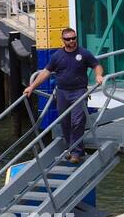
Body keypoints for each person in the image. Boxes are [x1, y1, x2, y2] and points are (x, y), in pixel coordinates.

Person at [24, 28, 104, 164]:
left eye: (73, 38)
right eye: (68, 39)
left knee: (77, 121)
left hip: (79, 91)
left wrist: (98, 75)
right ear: (63, 40)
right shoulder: (57, 56)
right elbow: (46, 72)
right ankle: (71, 148)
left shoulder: (83, 53)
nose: (71, 41)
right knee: (65, 122)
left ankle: (76, 152)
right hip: (62, 92)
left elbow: (96, 65)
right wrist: (32, 87)